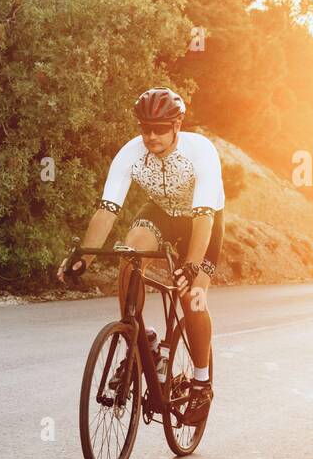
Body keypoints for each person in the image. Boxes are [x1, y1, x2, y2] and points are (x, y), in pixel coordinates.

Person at [57, 87, 224, 425]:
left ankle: (202, 382)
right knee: (129, 252)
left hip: (202, 218)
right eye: (145, 127)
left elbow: (203, 217)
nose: (151, 136)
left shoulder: (201, 151)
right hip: (161, 212)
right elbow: (107, 211)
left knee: (192, 297)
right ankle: (136, 334)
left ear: (177, 125)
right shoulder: (130, 153)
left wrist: (191, 268)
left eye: (160, 128)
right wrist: (83, 258)